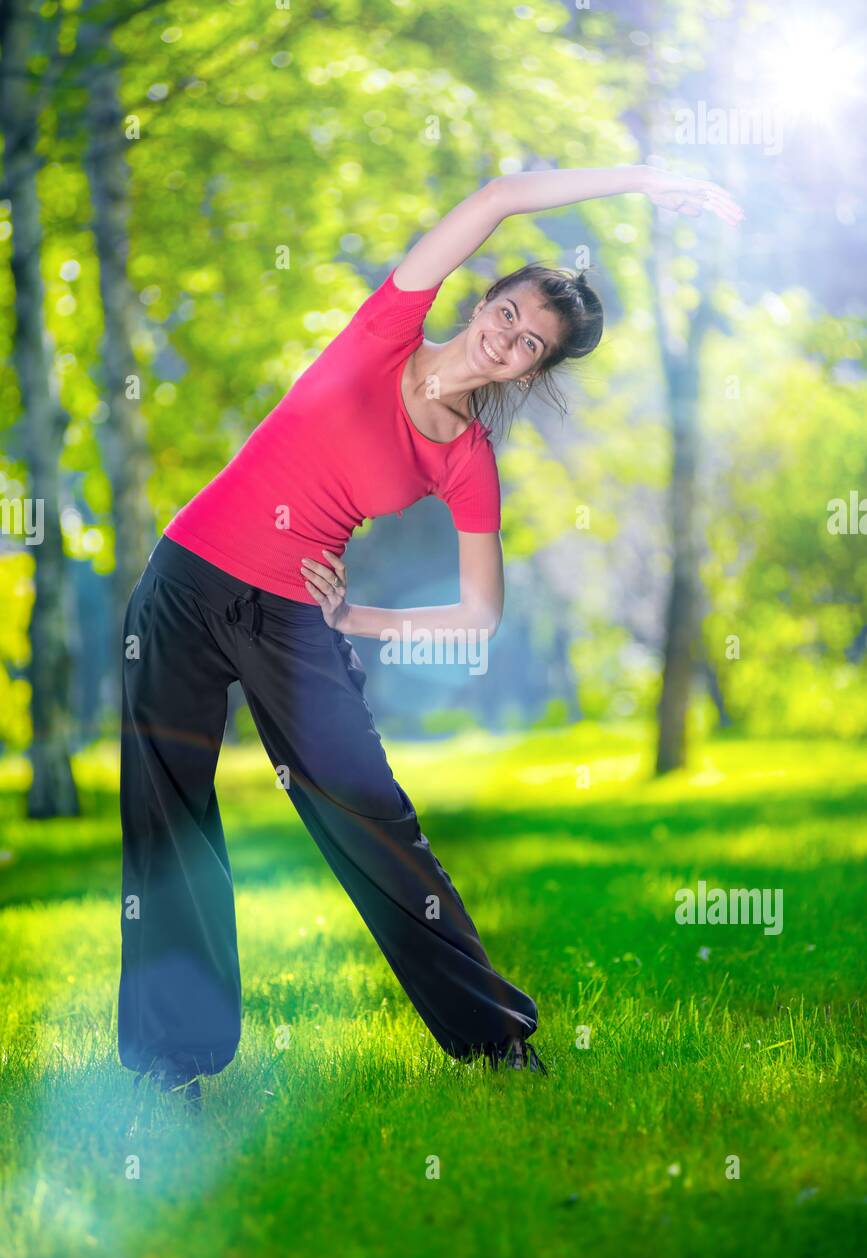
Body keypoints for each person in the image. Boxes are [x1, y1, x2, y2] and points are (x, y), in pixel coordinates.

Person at [119, 163, 742, 1101]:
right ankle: (174, 1065)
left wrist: (359, 619)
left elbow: (479, 614)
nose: (508, 341)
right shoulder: (383, 330)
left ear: (535, 369)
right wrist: (647, 179)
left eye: (531, 345)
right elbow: (498, 197)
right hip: (185, 579)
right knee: (168, 817)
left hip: (295, 620)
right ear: (484, 297)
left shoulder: (464, 457)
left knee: (372, 819)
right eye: (510, 316)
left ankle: (494, 1040)